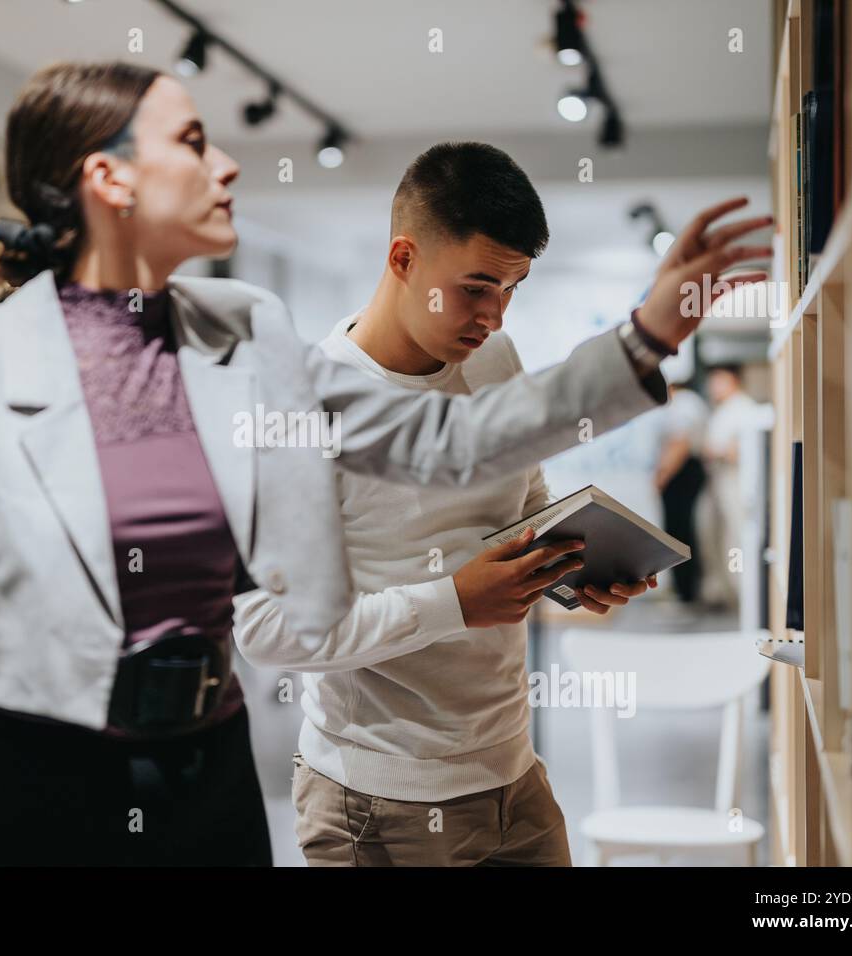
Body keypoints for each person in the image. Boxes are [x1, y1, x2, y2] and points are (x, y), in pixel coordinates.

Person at [0, 60, 771, 866]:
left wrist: (646, 337)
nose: (229, 163)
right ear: (109, 178)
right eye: (195, 140)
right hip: (42, 777)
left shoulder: (244, 329)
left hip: (208, 772)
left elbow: (447, 441)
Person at [234, 142, 660, 867]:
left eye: (514, 288)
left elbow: (524, 502)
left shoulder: (494, 359)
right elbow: (265, 631)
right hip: (377, 801)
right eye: (476, 287)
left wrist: (569, 567)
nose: (494, 316)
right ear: (404, 259)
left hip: (514, 776)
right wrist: (454, 602)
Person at [700, 365, 762, 607]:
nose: (713, 387)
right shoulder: (724, 409)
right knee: (717, 538)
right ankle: (730, 595)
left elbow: (739, 451)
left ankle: (746, 598)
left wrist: (717, 452)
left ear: (733, 380)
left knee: (737, 539)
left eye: (719, 381)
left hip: (736, 482)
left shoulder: (744, 408)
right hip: (719, 482)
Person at [653, 382, 710, 603]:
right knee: (681, 530)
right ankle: (686, 590)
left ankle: (686, 592)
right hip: (685, 472)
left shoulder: (683, 404)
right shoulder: (689, 402)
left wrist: (662, 476)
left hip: (682, 473)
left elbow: (681, 444)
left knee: (678, 532)